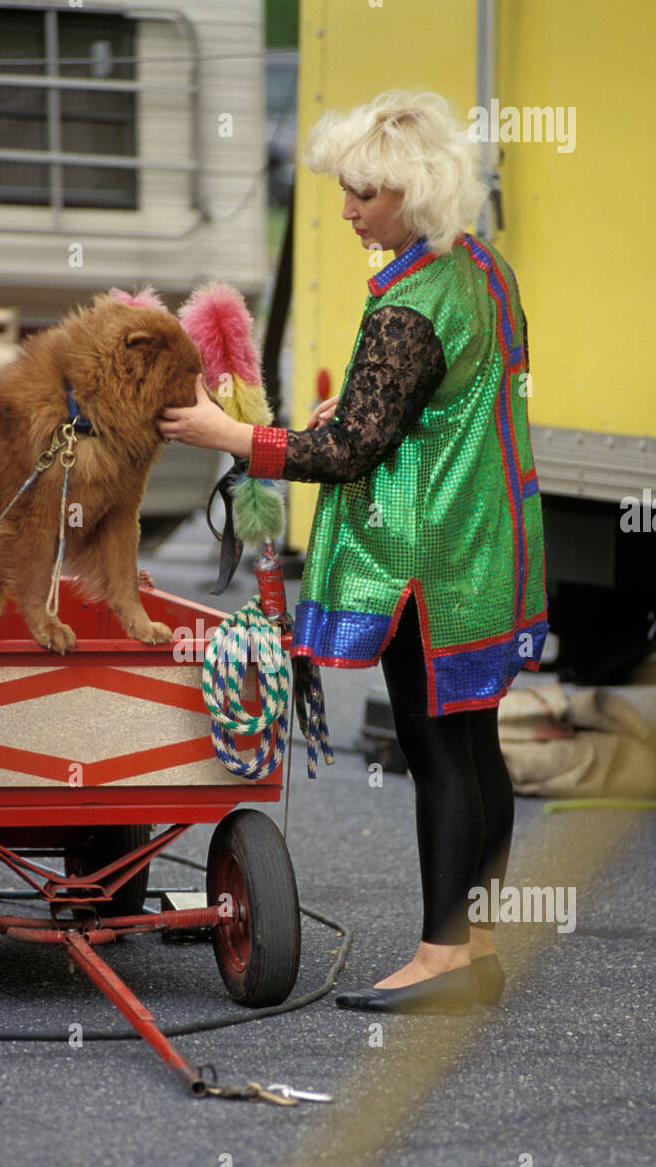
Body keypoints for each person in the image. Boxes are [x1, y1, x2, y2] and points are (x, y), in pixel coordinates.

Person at [156, 89, 548, 1015]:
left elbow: (348, 453)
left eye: (363, 193)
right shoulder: (483, 269)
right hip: (488, 539)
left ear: (413, 192)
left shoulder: (409, 301)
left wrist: (225, 434)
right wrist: (371, 410)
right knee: (475, 740)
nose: (345, 210)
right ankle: (478, 947)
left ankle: (443, 960)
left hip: (428, 556)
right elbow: (450, 398)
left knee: (435, 745)